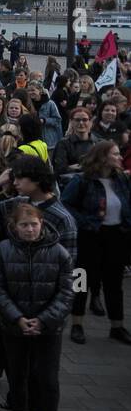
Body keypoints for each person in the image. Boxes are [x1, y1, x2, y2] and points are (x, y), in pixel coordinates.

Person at [0, 203, 73, 411]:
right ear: (14, 227)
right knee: (17, 376)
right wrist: (17, 318)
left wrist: (44, 320)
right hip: (15, 327)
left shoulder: (59, 253)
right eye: (24, 225)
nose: (30, 229)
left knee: (48, 379)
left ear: (42, 224)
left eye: (34, 224)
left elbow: (67, 293)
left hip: (48, 329)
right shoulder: (2, 251)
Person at [61, 141, 131, 346]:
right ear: (102, 157)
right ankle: (77, 324)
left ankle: (117, 326)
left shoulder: (121, 180)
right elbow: (66, 203)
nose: (119, 157)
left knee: (114, 282)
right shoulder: (83, 181)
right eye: (115, 154)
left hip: (116, 235)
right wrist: (83, 222)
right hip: (89, 235)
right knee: (81, 280)